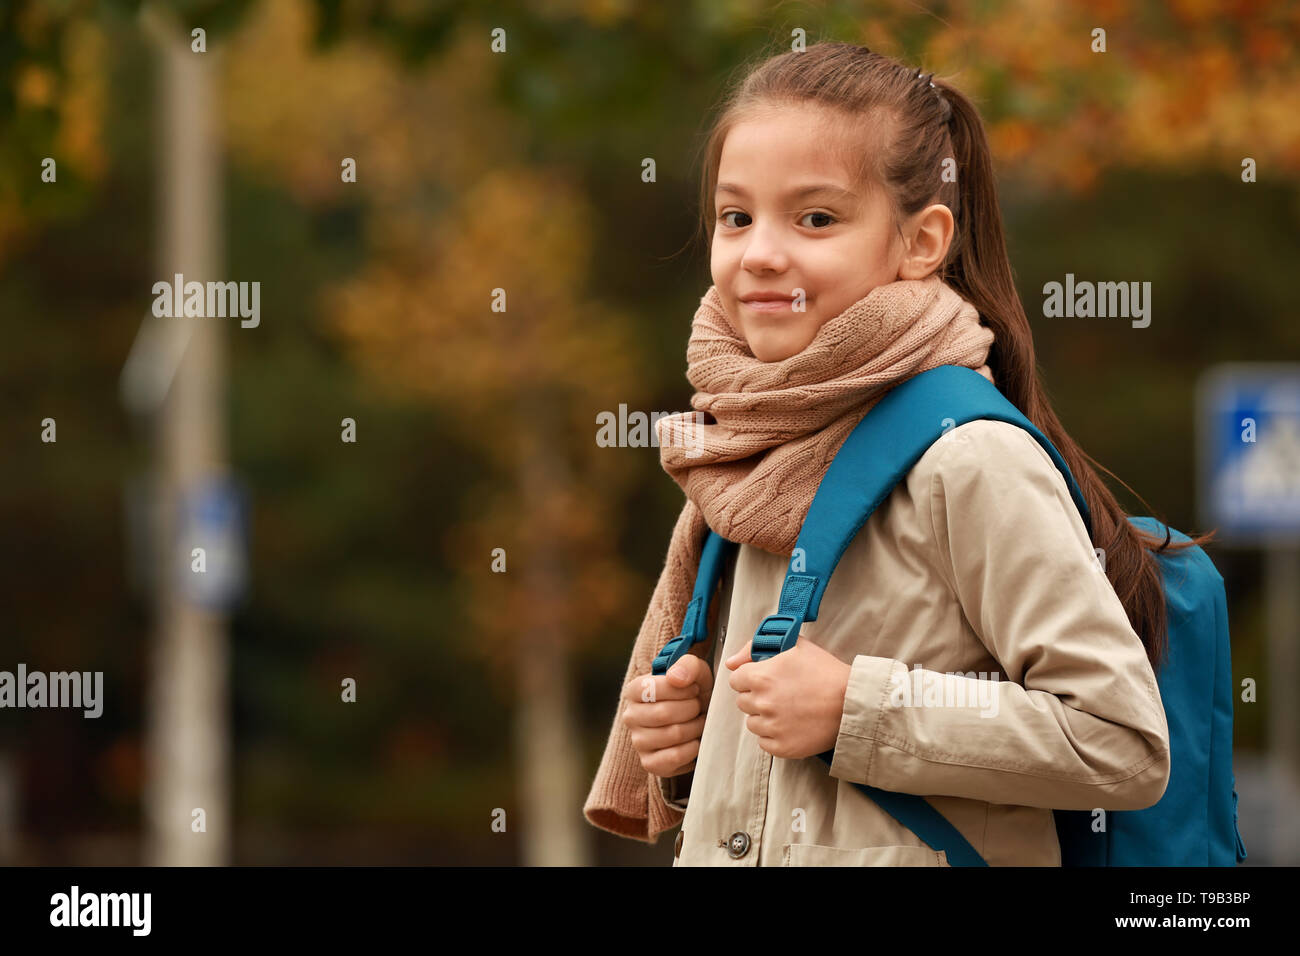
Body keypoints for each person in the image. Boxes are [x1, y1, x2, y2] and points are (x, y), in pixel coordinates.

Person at [583, 41, 1210, 865]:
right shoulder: (735, 455)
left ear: (922, 243)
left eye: (815, 218)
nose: (761, 252)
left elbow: (1123, 741)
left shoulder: (968, 459)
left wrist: (855, 710)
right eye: (737, 217)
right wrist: (692, 744)